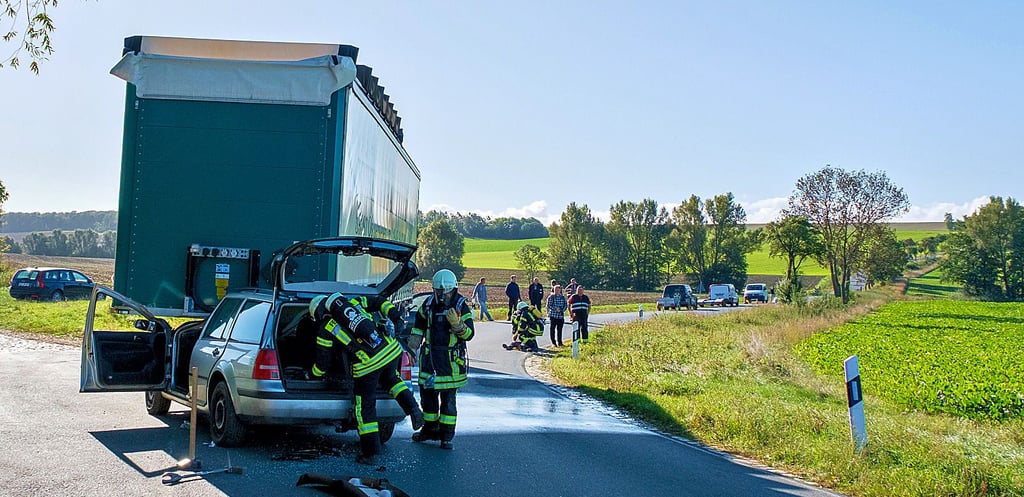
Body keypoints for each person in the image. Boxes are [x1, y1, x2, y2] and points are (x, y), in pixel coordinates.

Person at [309, 293, 425, 466]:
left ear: (319, 313)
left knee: (365, 407)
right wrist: (395, 316)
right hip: (390, 351)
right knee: (393, 380)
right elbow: (378, 301)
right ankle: (414, 410)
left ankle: (370, 453)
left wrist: (313, 375)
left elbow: (323, 363)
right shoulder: (354, 303)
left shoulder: (326, 328)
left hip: (367, 365)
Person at [408, 269, 475, 450]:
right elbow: (417, 329)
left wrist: (457, 325)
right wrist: (411, 349)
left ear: (454, 289)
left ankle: (446, 437)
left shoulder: (461, 306)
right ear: (434, 290)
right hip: (430, 360)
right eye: (439, 291)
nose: (442, 295)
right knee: (427, 400)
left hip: (450, 362)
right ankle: (429, 430)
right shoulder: (427, 305)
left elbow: (469, 334)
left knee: (448, 402)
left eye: (446, 292)